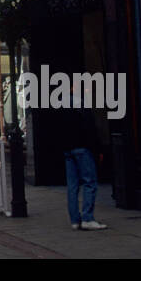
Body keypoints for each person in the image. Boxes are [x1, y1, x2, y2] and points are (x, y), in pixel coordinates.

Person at [58, 96, 107, 230]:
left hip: (68, 149)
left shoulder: (63, 109)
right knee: (89, 182)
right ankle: (87, 218)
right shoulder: (82, 108)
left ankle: (75, 220)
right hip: (82, 148)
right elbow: (91, 129)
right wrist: (98, 149)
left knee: (72, 186)